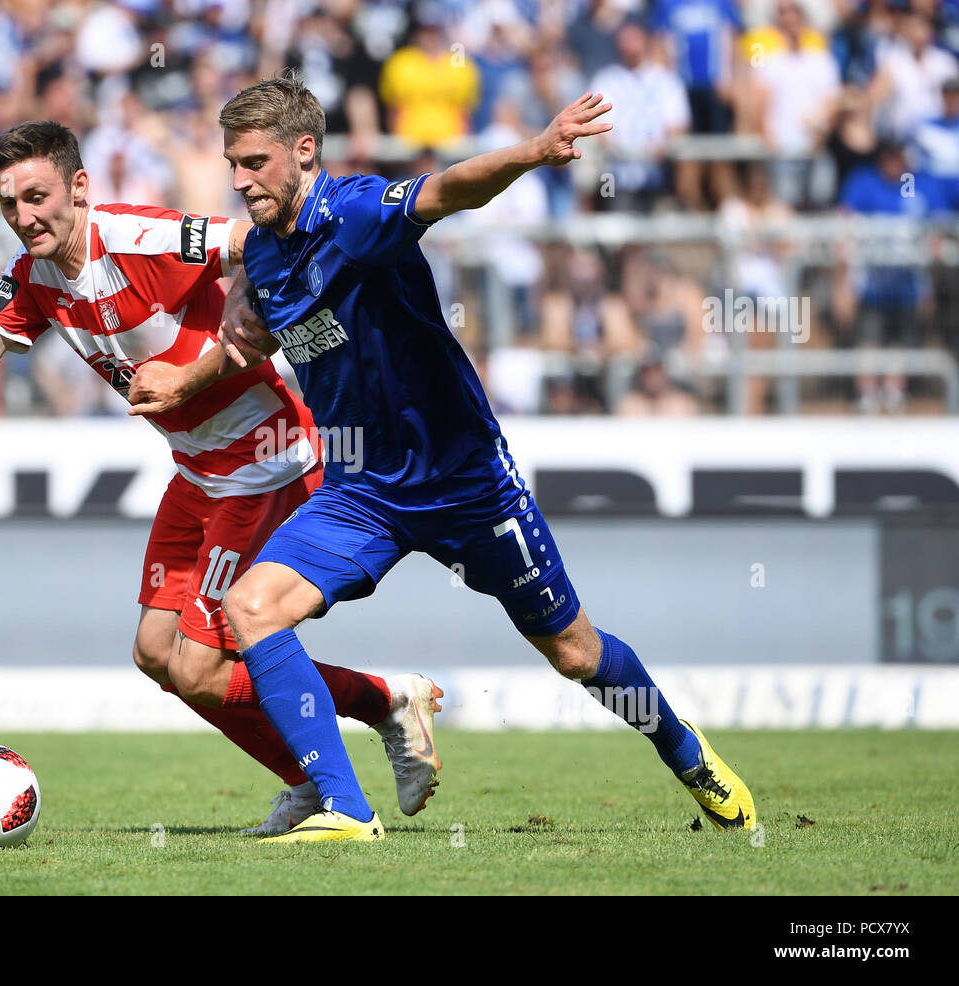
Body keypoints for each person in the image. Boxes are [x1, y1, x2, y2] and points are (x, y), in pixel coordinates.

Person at [0, 120, 442, 834]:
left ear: (79, 187)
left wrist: (241, 316)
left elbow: (259, 241)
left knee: (199, 665)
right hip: (197, 471)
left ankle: (376, 717)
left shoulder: (138, 238)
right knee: (157, 655)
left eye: (37, 196)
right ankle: (313, 771)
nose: (24, 216)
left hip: (262, 461)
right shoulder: (31, 279)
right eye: (9, 204)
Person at [203, 75, 755, 842]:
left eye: (254, 162)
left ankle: (686, 753)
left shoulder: (356, 214)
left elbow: (450, 189)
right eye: (231, 163)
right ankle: (345, 809)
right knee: (251, 609)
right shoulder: (262, 254)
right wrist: (215, 328)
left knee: (575, 652)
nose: (239, 179)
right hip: (361, 491)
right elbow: (250, 314)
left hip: (465, 484)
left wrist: (533, 150)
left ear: (304, 151)